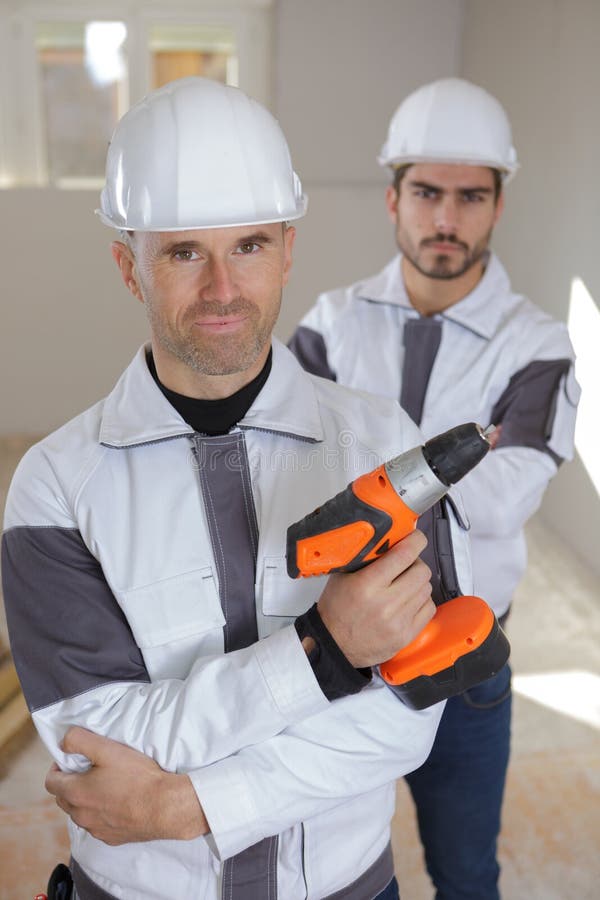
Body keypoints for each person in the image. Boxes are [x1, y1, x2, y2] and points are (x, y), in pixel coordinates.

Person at [1, 77, 475, 900]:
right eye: (185, 252)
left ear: (288, 250)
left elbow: (407, 717)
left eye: (249, 245)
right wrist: (323, 652)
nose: (222, 289)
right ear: (129, 266)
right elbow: (94, 744)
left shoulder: (384, 446)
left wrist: (190, 806)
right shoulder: (54, 487)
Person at [288, 77, 580, 900]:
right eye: (426, 193)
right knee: (335, 874)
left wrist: (367, 477)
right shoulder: (331, 324)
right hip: (347, 651)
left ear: (497, 205)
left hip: (468, 662)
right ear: (392, 198)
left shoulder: (538, 346)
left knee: (464, 873)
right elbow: (295, 485)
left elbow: (501, 500)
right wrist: (461, 450)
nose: (445, 220)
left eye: (469, 197)